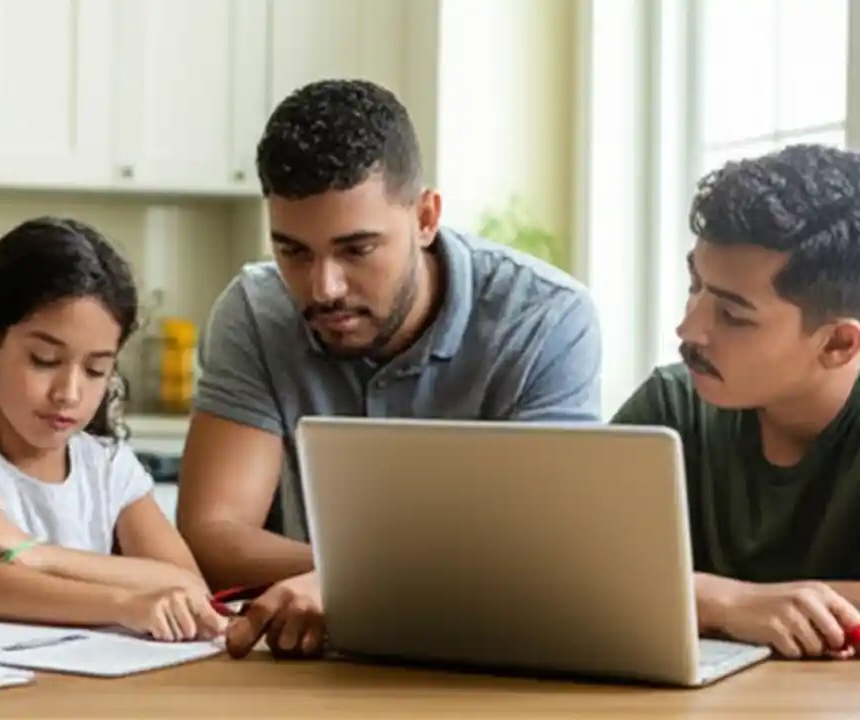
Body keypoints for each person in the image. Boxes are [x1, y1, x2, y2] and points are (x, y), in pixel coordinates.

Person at [177, 79, 603, 659]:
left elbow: (549, 558)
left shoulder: (546, 319)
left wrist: (349, 583)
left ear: (425, 218)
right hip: (309, 664)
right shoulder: (255, 311)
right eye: (293, 252)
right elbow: (213, 536)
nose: (323, 288)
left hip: (493, 664)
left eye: (356, 250)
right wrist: (357, 581)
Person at [0, 217, 226, 642]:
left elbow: (189, 583)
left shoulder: (107, 467)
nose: (69, 393)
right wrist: (125, 604)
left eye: (96, 369)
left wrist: (33, 553)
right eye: (45, 360)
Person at [612, 143, 860, 661]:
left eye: (733, 315)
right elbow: (555, 566)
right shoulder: (672, 407)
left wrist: (687, 595)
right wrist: (728, 602)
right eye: (694, 286)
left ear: (838, 344)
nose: (688, 329)